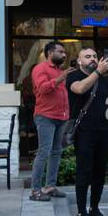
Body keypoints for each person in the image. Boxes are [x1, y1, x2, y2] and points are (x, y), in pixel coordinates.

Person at [67, 47, 108, 216]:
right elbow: (81, 88)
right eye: (87, 56)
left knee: (99, 173)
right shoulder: (73, 77)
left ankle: (94, 209)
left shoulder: (105, 81)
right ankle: (81, 214)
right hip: (84, 132)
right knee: (84, 172)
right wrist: (98, 71)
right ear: (79, 61)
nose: (92, 59)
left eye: (95, 56)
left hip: (103, 131)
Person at [29, 41, 71, 202]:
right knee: (43, 152)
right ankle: (35, 191)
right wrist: (60, 78)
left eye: (64, 52)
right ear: (50, 53)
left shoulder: (60, 71)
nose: (64, 55)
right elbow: (42, 88)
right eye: (60, 52)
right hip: (46, 116)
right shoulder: (40, 69)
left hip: (61, 117)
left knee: (56, 152)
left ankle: (50, 187)